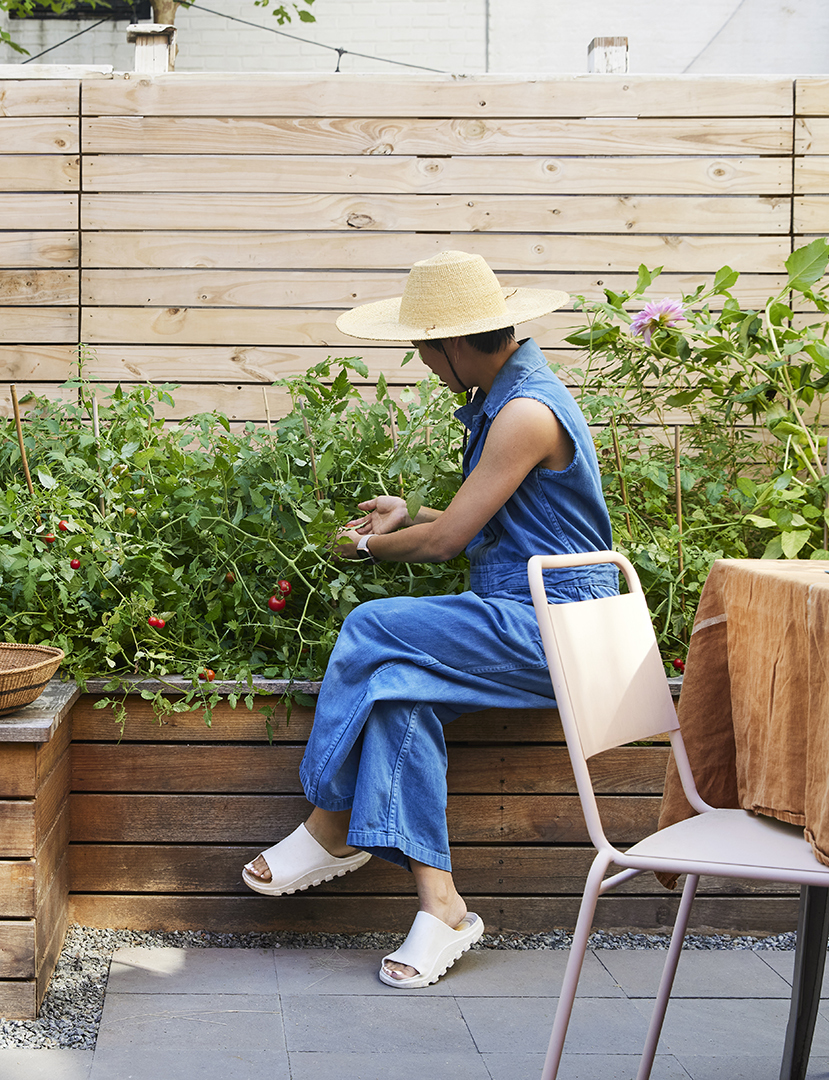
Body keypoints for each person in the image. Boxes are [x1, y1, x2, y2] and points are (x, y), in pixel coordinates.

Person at [241, 250, 615, 988]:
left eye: (422, 346)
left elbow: (447, 545)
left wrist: (366, 547)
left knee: (372, 627)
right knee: (398, 696)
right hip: (524, 610)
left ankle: (328, 823)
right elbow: (490, 527)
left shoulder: (525, 412)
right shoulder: (509, 399)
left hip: (557, 624)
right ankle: (442, 907)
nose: (419, 359)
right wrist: (410, 514)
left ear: (454, 344)